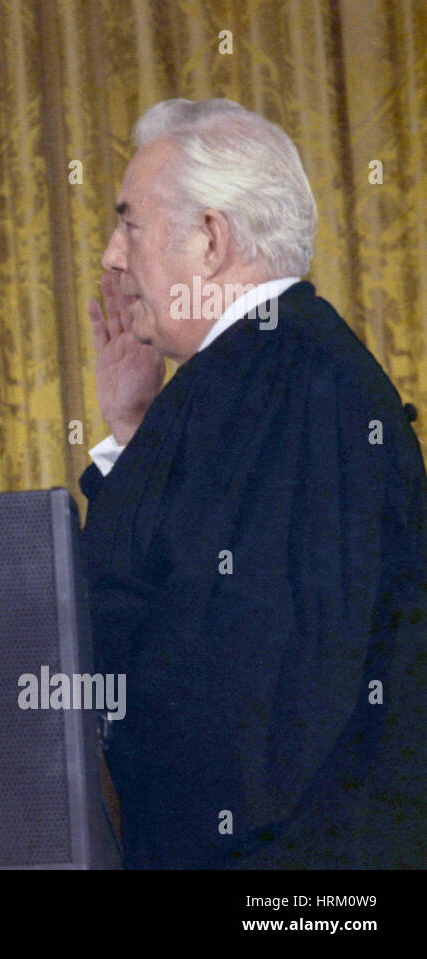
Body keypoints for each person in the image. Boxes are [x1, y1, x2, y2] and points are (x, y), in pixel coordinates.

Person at [81, 97, 426, 868]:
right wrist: (136, 433)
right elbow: (178, 581)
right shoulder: (250, 374)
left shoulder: (299, 383)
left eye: (130, 223)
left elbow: (270, 696)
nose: (111, 254)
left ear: (210, 239)